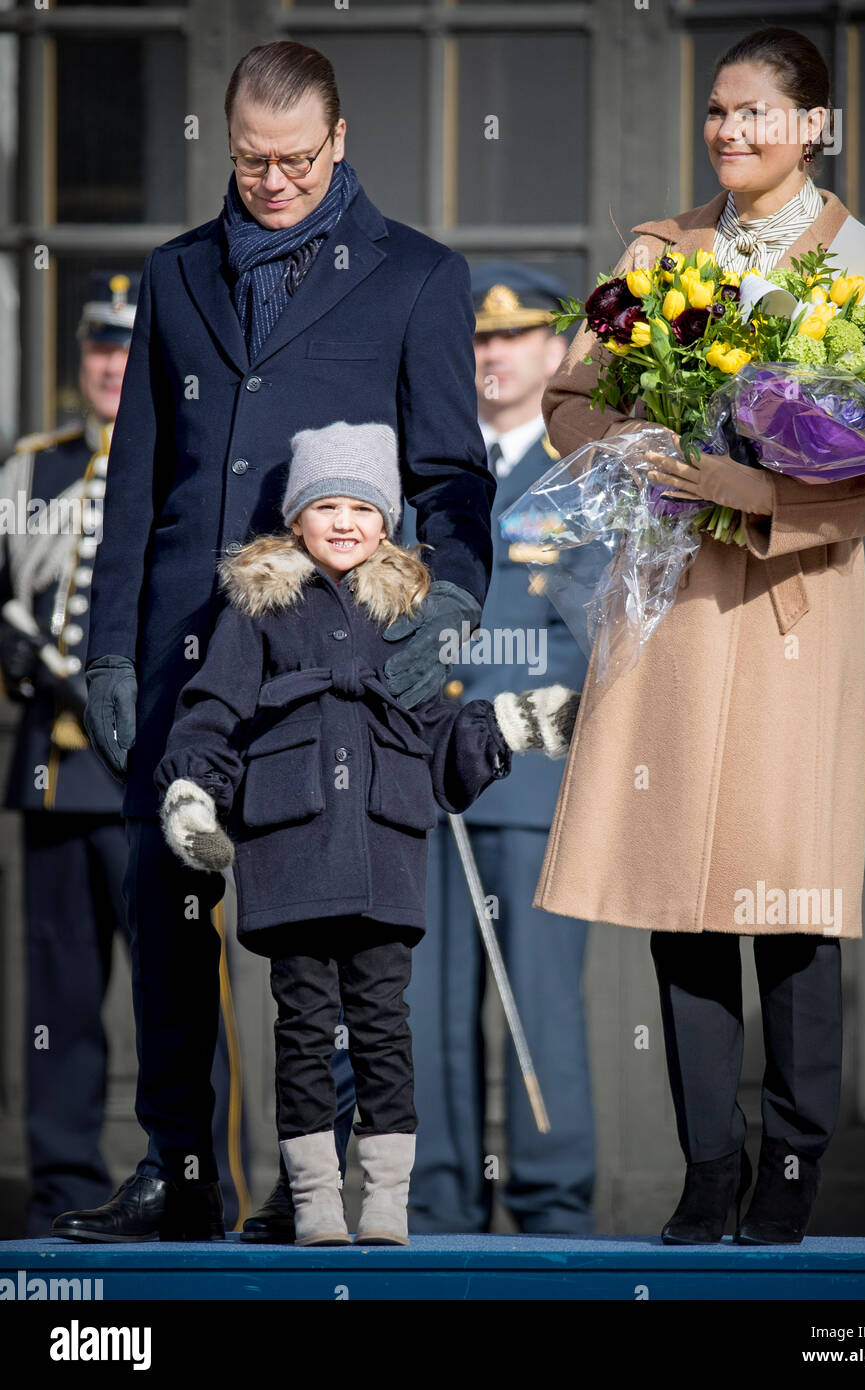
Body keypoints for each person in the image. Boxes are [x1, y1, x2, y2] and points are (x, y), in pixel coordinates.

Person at [55, 39, 496, 1244]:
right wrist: (106, 644)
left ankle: (327, 1187)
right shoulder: (176, 273)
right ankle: (182, 1165)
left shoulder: (417, 276)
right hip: (180, 651)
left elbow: (456, 478)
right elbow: (138, 483)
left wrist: (452, 604)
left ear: (340, 140)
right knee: (172, 902)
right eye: (252, 160)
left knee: (329, 917)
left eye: (297, 159)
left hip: (332, 661)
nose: (275, 181)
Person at [531, 26, 865, 1244]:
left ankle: (792, 1170)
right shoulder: (659, 250)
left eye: (754, 113)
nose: (730, 132)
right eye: (716, 113)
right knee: (678, 892)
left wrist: (753, 489)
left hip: (793, 604)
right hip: (673, 606)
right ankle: (707, 1170)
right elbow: (567, 403)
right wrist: (648, 446)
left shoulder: (860, 263)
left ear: (812, 126)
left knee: (789, 891)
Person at [152, 422, 580, 1245]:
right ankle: (313, 1200)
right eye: (325, 506)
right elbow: (212, 711)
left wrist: (511, 725)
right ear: (296, 520)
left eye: (361, 506)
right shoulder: (259, 607)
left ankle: (385, 1200)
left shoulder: (406, 611)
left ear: (386, 521)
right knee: (304, 1026)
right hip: (290, 845)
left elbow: (435, 728)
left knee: (384, 1022)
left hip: (383, 843)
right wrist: (194, 797)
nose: (344, 522)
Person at [0, 272, 245, 1233]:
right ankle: (62, 1188)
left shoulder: (188, 457)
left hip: (157, 767)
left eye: (123, 350)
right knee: (58, 995)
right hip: (55, 773)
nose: (111, 367)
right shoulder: (33, 472)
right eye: (99, 350)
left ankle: (200, 1180)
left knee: (182, 986)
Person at [404, 263, 596, 1235]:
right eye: (478, 340)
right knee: (426, 1010)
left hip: (530, 779)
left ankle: (553, 1208)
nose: (491, 355)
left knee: (540, 1010)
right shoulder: (429, 472)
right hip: (418, 780)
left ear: (556, 350)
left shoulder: (585, 480)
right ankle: (437, 1206)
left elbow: (614, 645)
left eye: (512, 337)